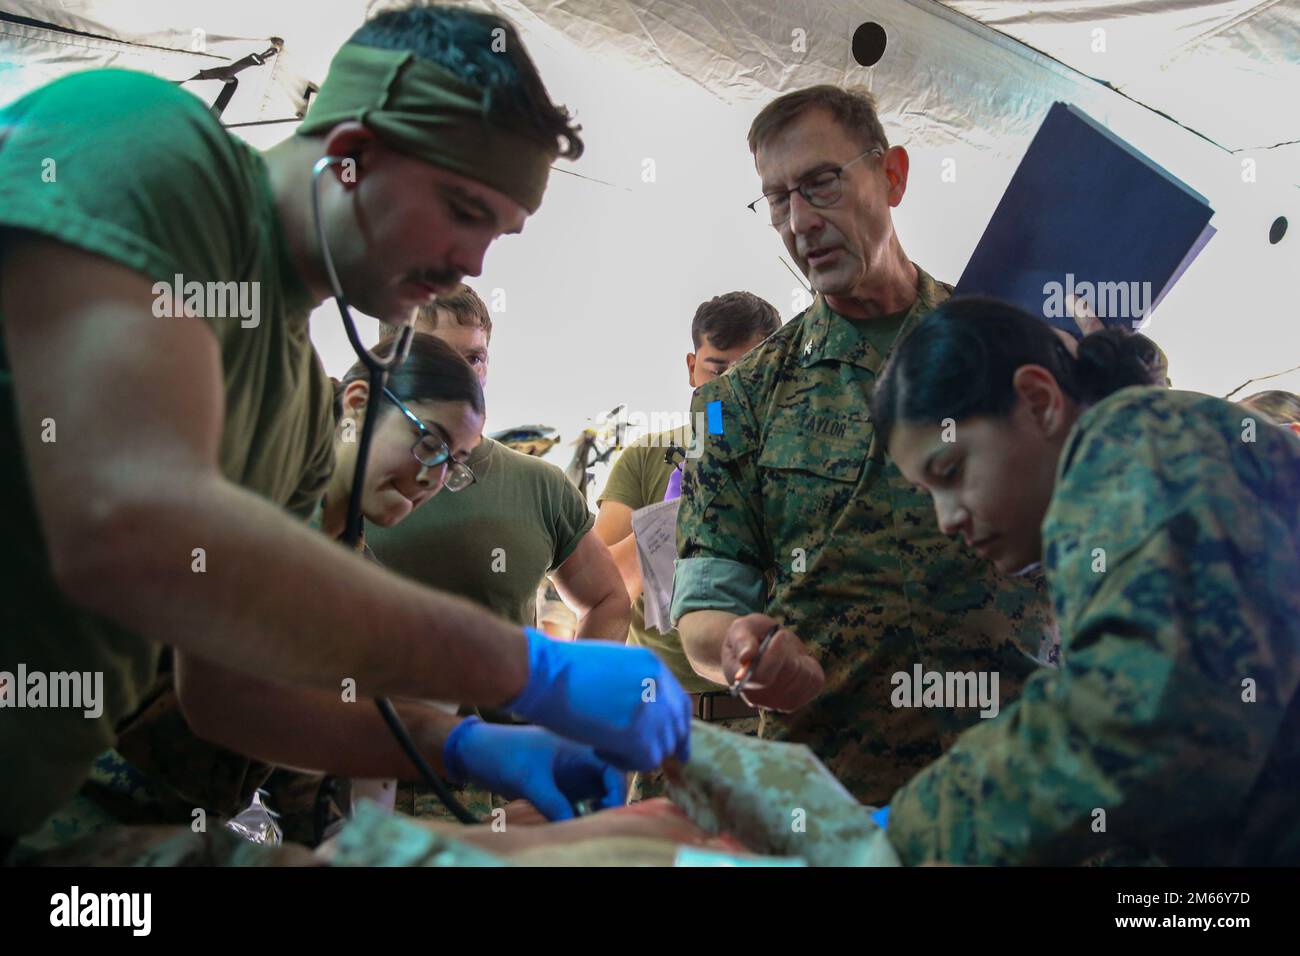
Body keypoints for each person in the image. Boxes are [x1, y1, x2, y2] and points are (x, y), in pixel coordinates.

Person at [0, 4, 688, 860]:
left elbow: (226, 697)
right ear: (352, 155)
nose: (474, 264)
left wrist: (467, 747)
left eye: (498, 234)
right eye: (463, 208)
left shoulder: (295, 410)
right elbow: (130, 524)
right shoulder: (151, 144)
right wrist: (528, 667)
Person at [670, 85, 1055, 805]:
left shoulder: (1013, 350)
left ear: (893, 175)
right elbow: (703, 610)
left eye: (821, 183)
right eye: (777, 199)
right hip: (834, 800)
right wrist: (739, 650)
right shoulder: (729, 405)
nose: (800, 221)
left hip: (1024, 785)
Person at [870, 297, 1299, 865]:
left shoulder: (1137, 451)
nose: (948, 520)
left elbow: (1141, 728)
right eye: (929, 496)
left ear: (1038, 401)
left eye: (951, 472)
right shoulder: (1142, 448)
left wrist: (897, 836)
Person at [367, 286, 631, 819]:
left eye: (476, 356)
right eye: (447, 356)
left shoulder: (537, 484)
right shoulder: (338, 477)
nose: (467, 373)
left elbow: (608, 597)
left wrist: (569, 718)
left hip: (509, 785)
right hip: (373, 774)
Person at [594, 291, 779, 799]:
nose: (729, 388)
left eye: (748, 370)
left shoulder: (796, 463)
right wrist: (677, 512)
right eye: (715, 370)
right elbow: (596, 589)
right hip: (666, 725)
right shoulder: (648, 457)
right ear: (691, 366)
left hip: (768, 723)